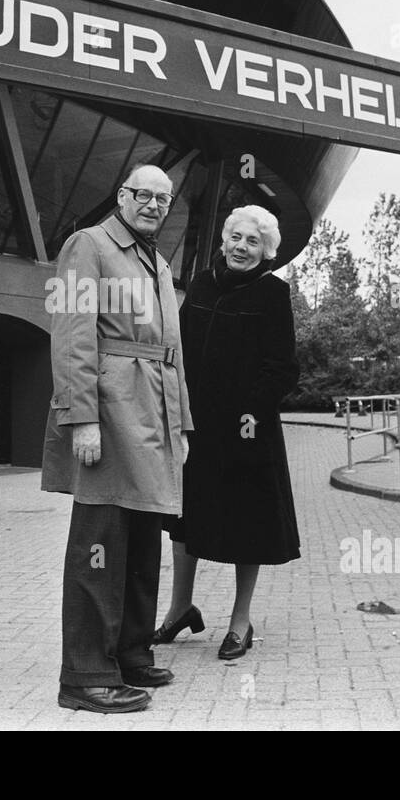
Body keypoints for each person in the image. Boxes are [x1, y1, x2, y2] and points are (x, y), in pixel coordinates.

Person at [41, 165, 193, 714]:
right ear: (121, 195)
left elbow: (170, 351)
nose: (152, 204)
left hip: (153, 412)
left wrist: (182, 424)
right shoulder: (88, 245)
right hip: (109, 410)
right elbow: (71, 331)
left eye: (162, 198)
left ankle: (130, 651)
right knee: (100, 540)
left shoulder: (157, 260)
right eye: (142, 195)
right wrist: (80, 417)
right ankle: (84, 676)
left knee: (142, 533)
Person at [154, 205, 300, 660]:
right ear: (223, 241)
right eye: (235, 237)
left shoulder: (272, 293)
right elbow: (176, 348)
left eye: (251, 241)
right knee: (183, 519)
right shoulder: (200, 285)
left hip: (245, 428)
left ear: (265, 251)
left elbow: (282, 368)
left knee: (247, 520)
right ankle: (181, 609)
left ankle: (240, 622)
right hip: (197, 426)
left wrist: (250, 413)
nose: (240, 247)